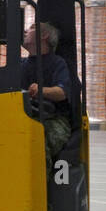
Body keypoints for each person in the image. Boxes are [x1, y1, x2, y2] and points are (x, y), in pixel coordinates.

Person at [20, 19, 73, 182]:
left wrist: (40, 90)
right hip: (25, 116)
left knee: (37, 141)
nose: (25, 32)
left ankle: (42, 199)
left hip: (53, 119)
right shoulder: (19, 64)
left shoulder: (57, 63)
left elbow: (62, 92)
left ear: (44, 35)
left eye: (31, 29)